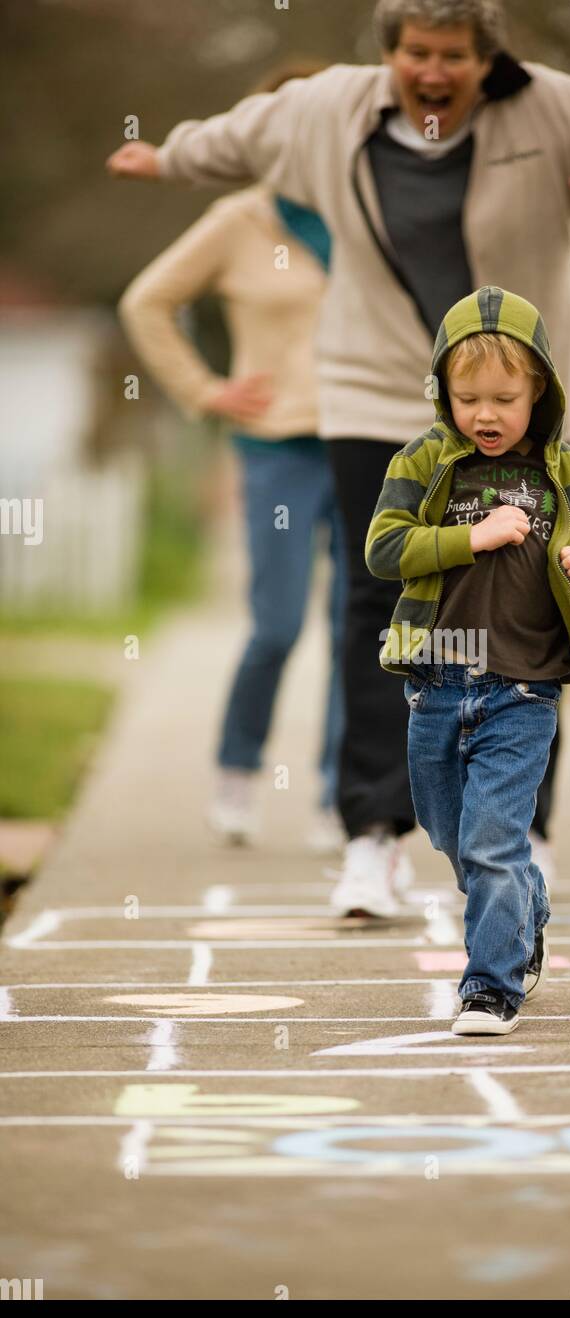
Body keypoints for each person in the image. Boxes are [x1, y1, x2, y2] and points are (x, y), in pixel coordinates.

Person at [106, 0, 570, 916]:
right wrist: (167, 157)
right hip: (378, 387)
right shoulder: (333, 106)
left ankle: (526, 831)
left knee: (527, 589)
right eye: (416, 54)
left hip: (522, 399)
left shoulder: (552, 106)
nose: (433, 73)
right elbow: (239, 136)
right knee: (379, 595)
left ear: (486, 59)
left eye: (453, 58)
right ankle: (372, 837)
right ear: (389, 54)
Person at [366, 284, 570, 1034]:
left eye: (504, 398)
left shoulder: (566, 474)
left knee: (492, 839)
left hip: (525, 690)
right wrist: (468, 538)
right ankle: (527, 906)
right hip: (437, 680)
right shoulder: (424, 461)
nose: (485, 414)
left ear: (540, 389)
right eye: (467, 396)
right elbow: (383, 548)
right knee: (450, 834)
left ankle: (490, 987)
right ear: (442, 391)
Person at [117, 64, 347, 853]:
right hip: (276, 450)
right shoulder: (237, 220)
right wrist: (204, 389)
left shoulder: (372, 213)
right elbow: (146, 301)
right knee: (278, 624)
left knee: (361, 630)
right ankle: (238, 768)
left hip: (372, 447)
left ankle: (337, 794)